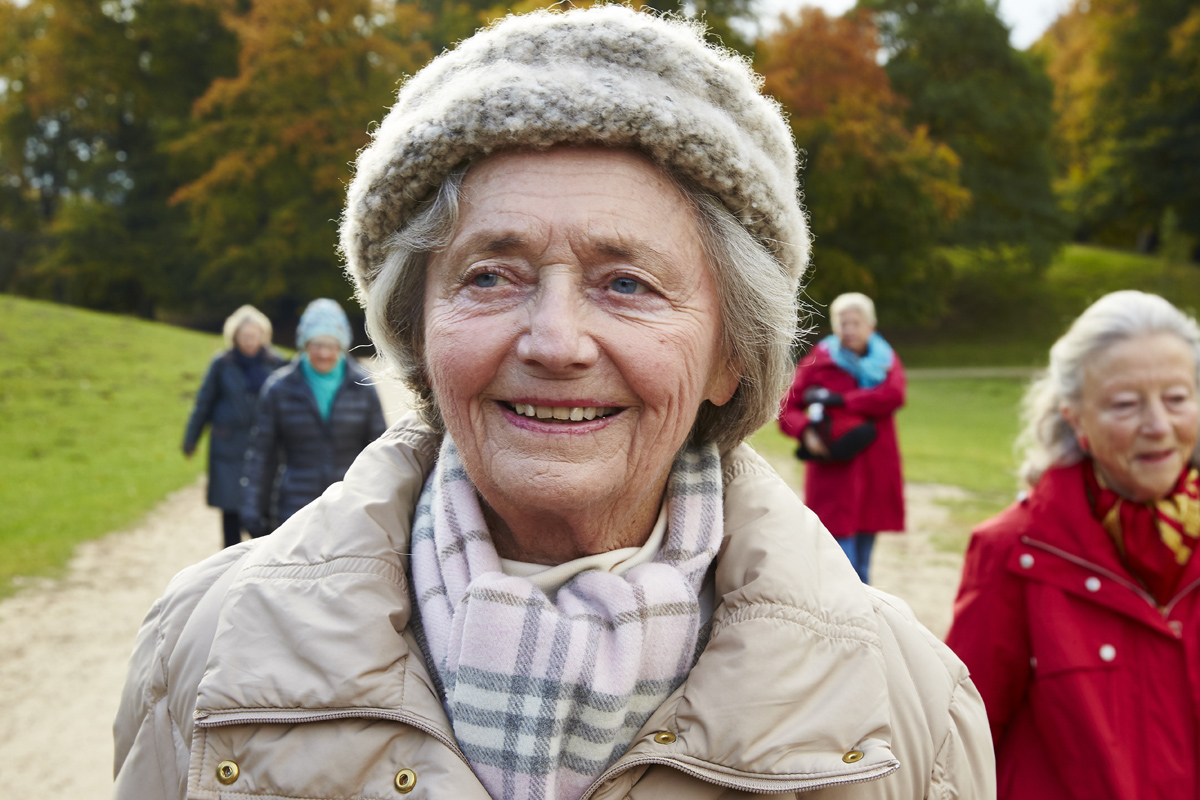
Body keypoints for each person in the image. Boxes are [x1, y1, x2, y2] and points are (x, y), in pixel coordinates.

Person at [113, 8, 993, 800]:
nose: (556, 341)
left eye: (628, 283)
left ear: (731, 356)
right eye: (491, 275)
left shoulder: (911, 708)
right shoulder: (205, 649)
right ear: (419, 331)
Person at [944, 290, 1200, 800]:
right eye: (1126, 404)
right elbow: (959, 749)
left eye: (1177, 398)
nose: (1158, 426)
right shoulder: (1014, 552)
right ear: (1075, 418)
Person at [779, 293, 906, 583]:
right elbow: (788, 406)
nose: (849, 329)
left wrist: (841, 400)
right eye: (842, 322)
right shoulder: (820, 360)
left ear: (870, 325)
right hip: (833, 470)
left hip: (874, 465)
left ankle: (862, 615)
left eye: (855, 322)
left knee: (863, 561)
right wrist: (805, 432)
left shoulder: (885, 360)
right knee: (839, 562)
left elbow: (893, 396)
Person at [238, 297, 386, 534]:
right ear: (304, 344)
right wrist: (252, 508)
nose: (324, 353)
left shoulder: (362, 386)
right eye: (317, 344)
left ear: (342, 345)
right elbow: (262, 455)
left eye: (331, 345)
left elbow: (381, 453)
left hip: (349, 510)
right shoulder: (279, 389)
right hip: (296, 512)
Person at [181, 304, 287, 548]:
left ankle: (260, 566)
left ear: (263, 335)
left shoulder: (276, 363)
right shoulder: (222, 364)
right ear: (234, 337)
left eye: (254, 335)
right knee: (231, 510)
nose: (249, 341)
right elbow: (204, 402)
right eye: (244, 336)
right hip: (227, 448)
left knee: (262, 509)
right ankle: (228, 566)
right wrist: (191, 438)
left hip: (265, 447)